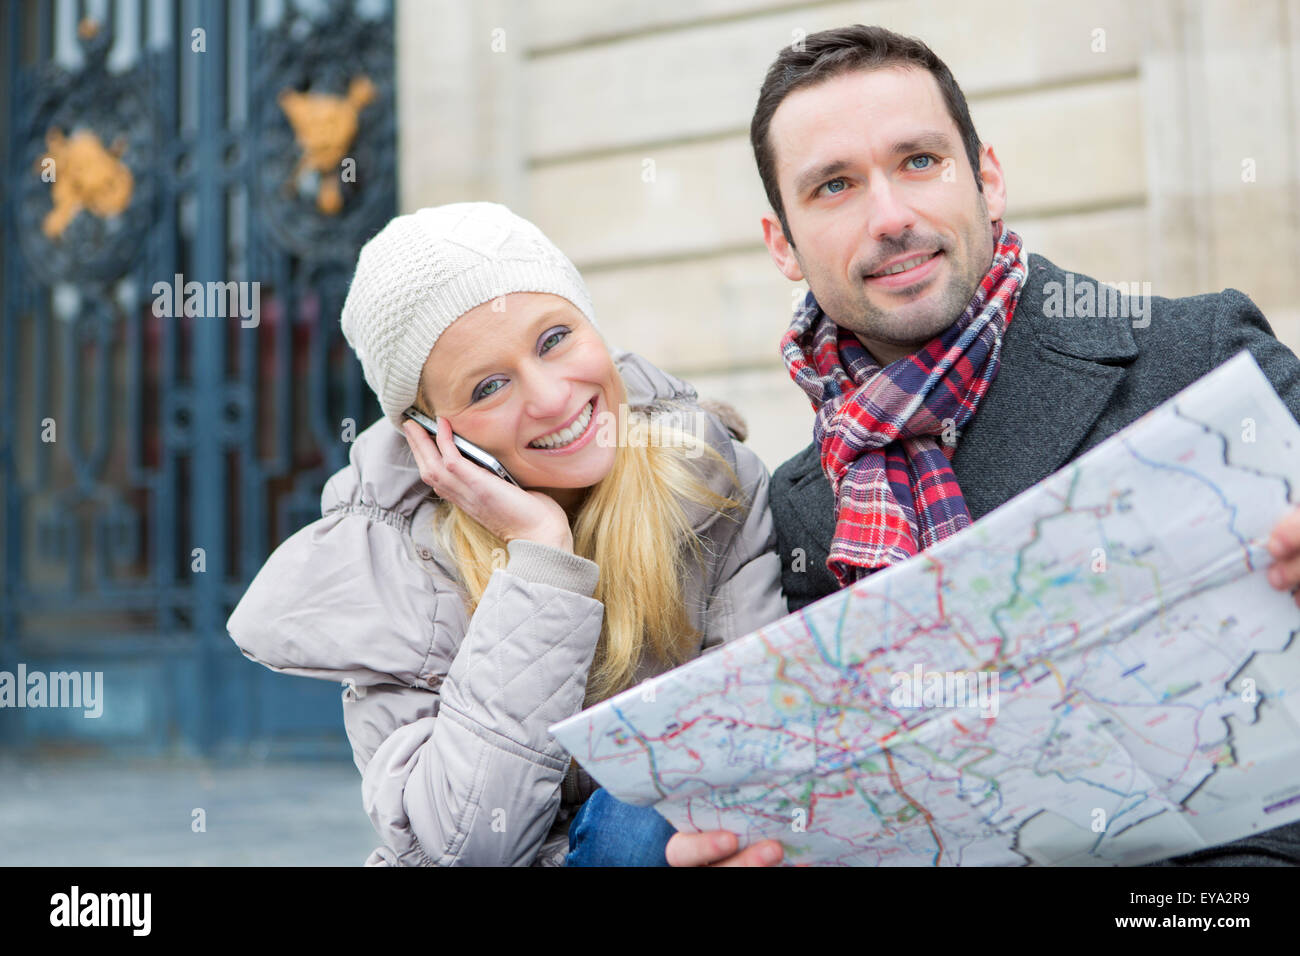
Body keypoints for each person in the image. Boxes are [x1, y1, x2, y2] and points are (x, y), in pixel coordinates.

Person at [685, 23, 1298, 867]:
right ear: (782, 245)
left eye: (920, 162)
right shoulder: (797, 508)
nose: (892, 216)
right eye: (834, 186)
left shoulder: (1202, 356)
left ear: (988, 179)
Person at [225, 203, 788, 866]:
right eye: (489, 386)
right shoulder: (398, 570)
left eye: (555, 339)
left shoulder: (707, 479)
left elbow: (755, 744)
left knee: (649, 812)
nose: (551, 398)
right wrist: (541, 562)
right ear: (432, 437)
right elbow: (470, 847)